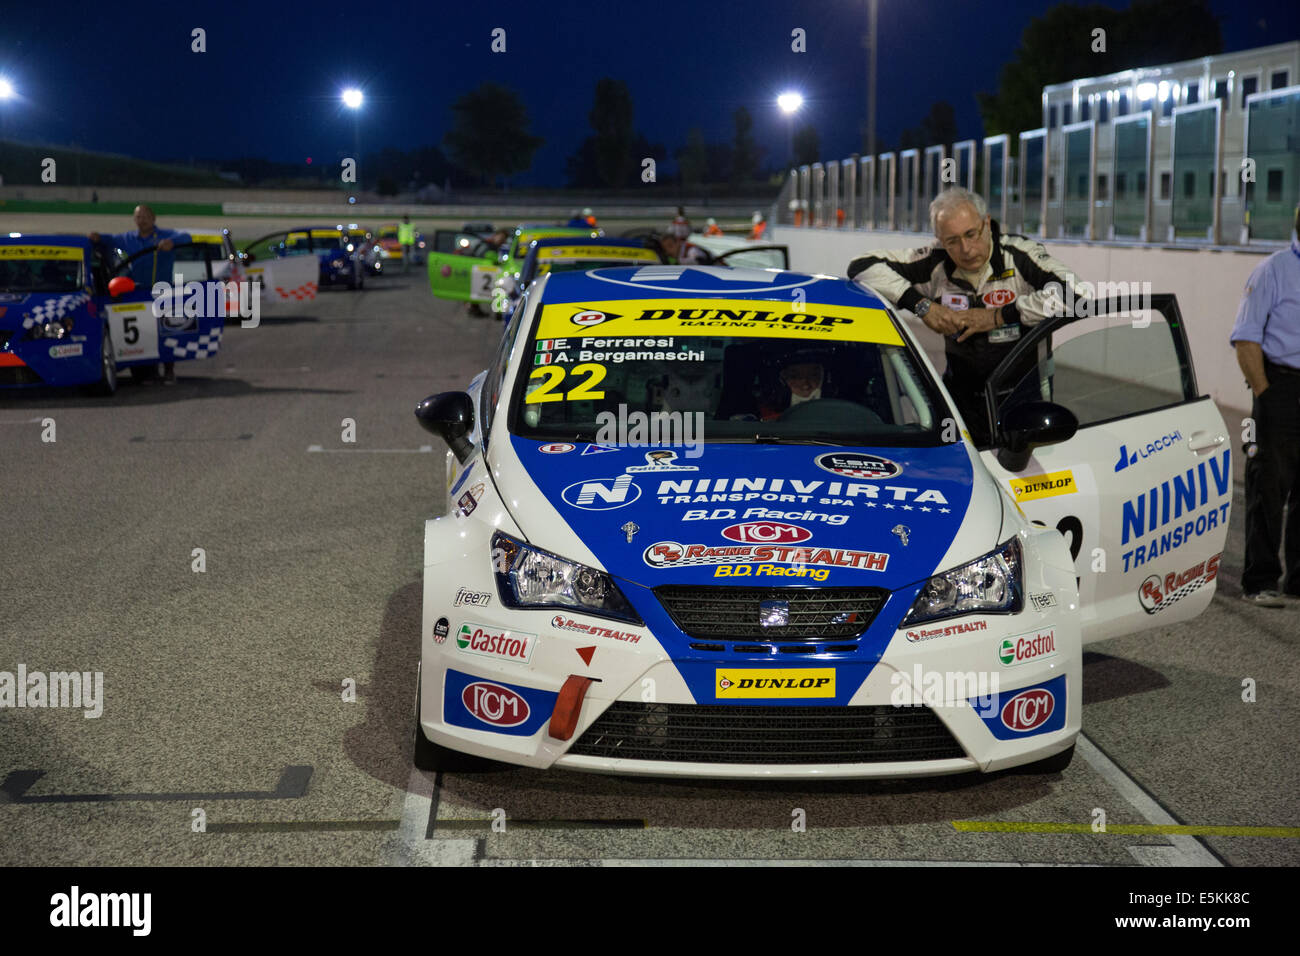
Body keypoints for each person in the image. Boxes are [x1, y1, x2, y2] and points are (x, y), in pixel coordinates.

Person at [848, 187, 1086, 445]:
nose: (966, 249)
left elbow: (1077, 295)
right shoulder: (933, 262)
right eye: (952, 241)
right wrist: (922, 306)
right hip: (961, 401)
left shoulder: (1019, 255)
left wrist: (998, 316)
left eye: (971, 234)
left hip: (1025, 399)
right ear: (940, 239)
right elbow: (861, 266)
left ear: (986, 223)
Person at [1229, 201, 1300, 607]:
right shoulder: (1272, 271)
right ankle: (1260, 580)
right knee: (1267, 487)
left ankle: (1299, 579)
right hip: (1279, 389)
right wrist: (1265, 394)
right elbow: (1246, 337)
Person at [89, 204, 191, 384]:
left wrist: (171, 243)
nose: (141, 221)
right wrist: (97, 237)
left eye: (145, 217)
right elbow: (110, 240)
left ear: (153, 218)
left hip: (162, 291)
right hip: (137, 292)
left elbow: (187, 237)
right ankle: (149, 371)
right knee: (145, 332)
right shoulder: (128, 238)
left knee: (166, 330)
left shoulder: (166, 235)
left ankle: (169, 370)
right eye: (138, 217)